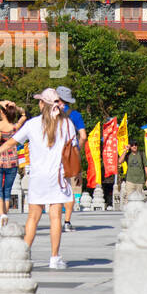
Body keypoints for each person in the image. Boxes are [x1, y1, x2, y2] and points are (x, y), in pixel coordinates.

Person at [0, 88, 75, 270]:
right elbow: (72, 147)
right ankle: (54, 258)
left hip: (37, 177)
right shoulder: (67, 124)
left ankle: (23, 255)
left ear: (41, 104)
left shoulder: (32, 124)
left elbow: (11, 142)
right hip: (58, 176)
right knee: (56, 218)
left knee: (33, 218)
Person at [0, 100, 26, 232]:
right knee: (7, 191)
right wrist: (15, 107)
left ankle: (1, 215)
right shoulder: (15, 127)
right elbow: (24, 114)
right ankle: (5, 217)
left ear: (2, 113)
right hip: (12, 161)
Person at [55, 86, 86, 233]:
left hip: (52, 156)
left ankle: (54, 221)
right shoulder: (75, 115)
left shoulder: (50, 114)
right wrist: (76, 150)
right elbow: (84, 136)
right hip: (69, 156)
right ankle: (66, 221)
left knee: (53, 189)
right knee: (69, 189)